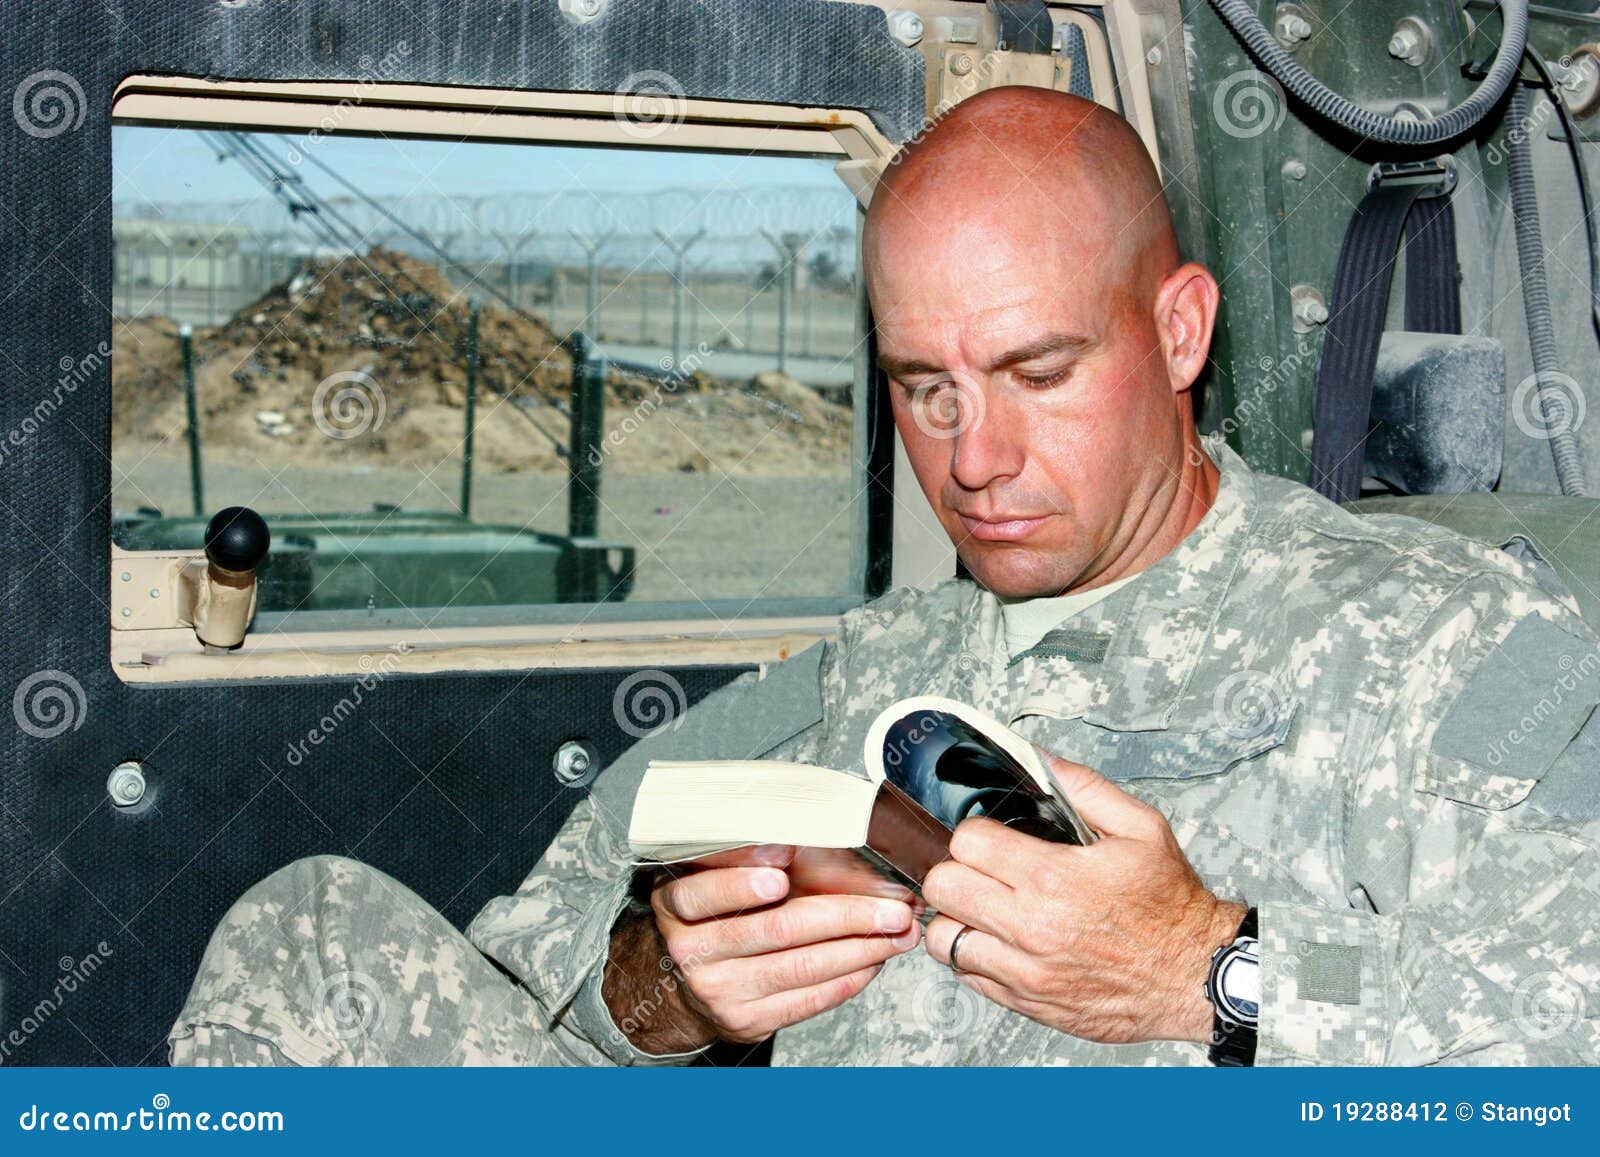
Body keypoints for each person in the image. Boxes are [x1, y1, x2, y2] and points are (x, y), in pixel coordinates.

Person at [169, 86, 1600, 1067]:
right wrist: (671, 991)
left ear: (1179, 331)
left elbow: (1568, 1027)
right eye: (926, 389)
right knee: (314, 935)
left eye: (1038, 372)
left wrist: (1209, 970)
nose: (975, 458)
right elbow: (533, 959)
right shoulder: (866, 670)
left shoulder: (1433, 634)